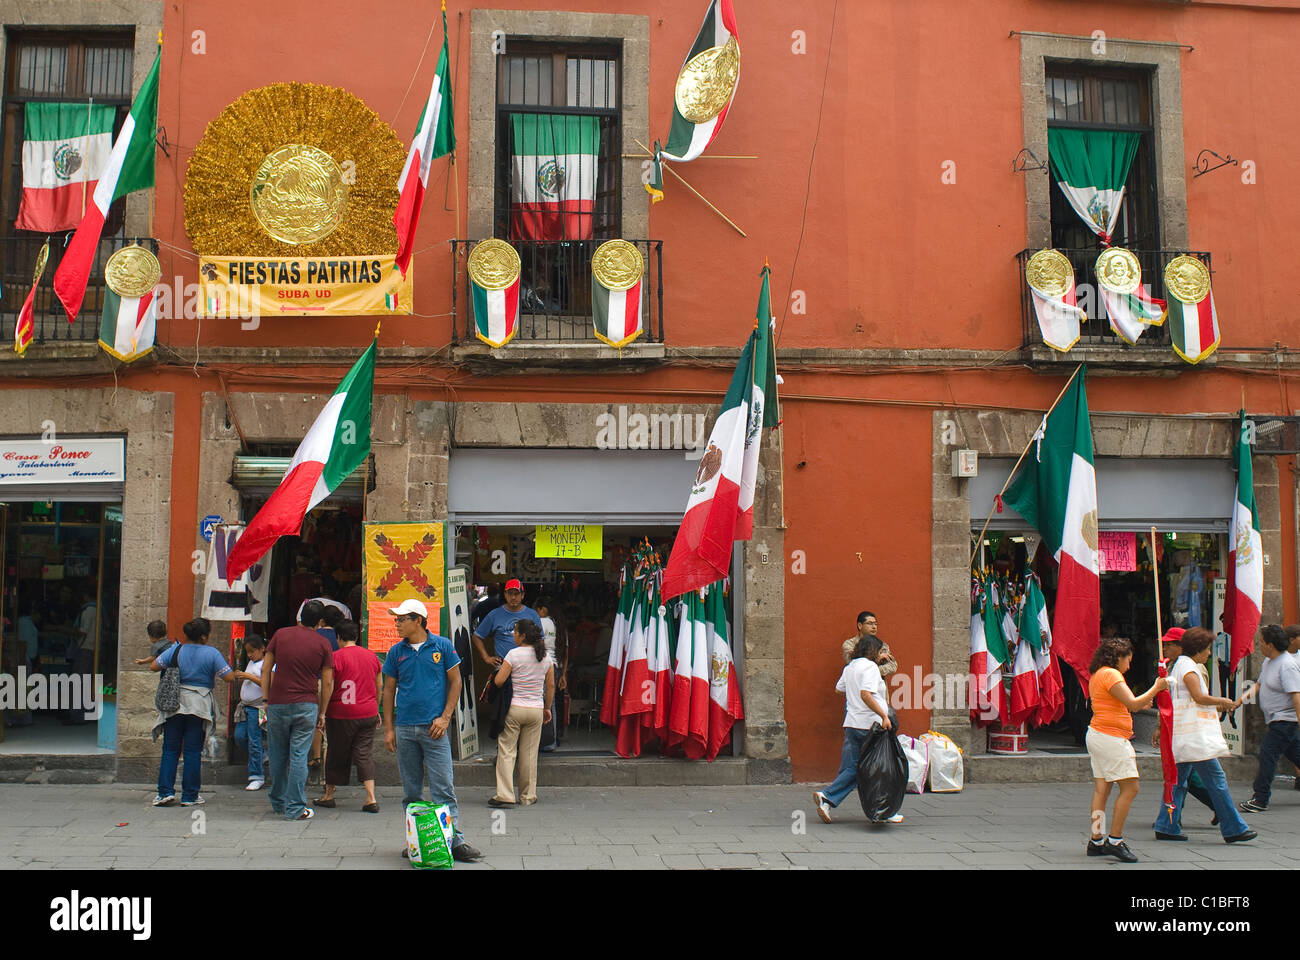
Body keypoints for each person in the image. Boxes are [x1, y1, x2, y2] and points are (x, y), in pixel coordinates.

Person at [383, 599, 482, 862]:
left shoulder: (443, 646)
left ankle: (454, 840)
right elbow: (388, 689)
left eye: (402, 619)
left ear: (418, 620)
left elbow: (456, 681)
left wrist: (445, 717)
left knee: (443, 787)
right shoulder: (396, 652)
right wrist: (389, 728)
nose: (397, 623)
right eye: (397, 619)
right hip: (405, 727)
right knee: (411, 791)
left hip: (434, 728)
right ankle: (416, 839)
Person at [1149, 627, 1255, 844]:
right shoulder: (1189, 667)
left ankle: (1166, 825)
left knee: (1177, 782)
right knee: (1216, 780)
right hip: (1195, 736)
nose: (1209, 654)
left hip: (1183, 734)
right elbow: (1198, 696)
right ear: (1198, 649)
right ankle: (1233, 827)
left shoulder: (1179, 666)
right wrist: (1221, 701)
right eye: (1207, 649)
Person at [1084, 637, 1166, 863]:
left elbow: (1125, 703)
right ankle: (1115, 840)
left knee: (1102, 789)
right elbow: (1133, 704)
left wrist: (1142, 701)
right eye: (1128, 660)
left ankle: (1096, 839)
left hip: (1098, 734)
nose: (1129, 666)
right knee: (1131, 788)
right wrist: (1156, 688)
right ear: (1118, 657)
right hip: (1111, 738)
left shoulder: (1098, 674)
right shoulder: (1111, 674)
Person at [148, 618, 244, 807]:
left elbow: (154, 666)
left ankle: (165, 792)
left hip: (174, 703)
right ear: (204, 636)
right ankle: (190, 795)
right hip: (199, 705)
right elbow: (228, 677)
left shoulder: (175, 649)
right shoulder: (212, 653)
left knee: (170, 749)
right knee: (193, 751)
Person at [812, 636, 901, 824]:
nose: (880, 655)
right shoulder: (870, 668)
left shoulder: (850, 667)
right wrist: (884, 716)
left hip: (852, 723)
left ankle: (828, 801)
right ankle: (881, 810)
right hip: (870, 726)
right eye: (879, 651)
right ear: (873, 651)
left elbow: (839, 688)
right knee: (878, 769)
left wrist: (855, 690)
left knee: (850, 768)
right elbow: (866, 694)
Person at [263, 599, 335, 822]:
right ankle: (295, 807)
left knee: (277, 753)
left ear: (300, 616)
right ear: (320, 622)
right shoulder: (323, 644)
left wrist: (265, 698)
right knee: (298, 756)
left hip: (277, 702)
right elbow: (328, 681)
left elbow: (266, 668)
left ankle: (278, 801)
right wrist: (322, 712)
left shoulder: (280, 635)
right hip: (306, 704)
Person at [1149, 628, 1218, 827]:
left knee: (1187, 778)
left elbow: (1197, 700)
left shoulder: (1193, 669)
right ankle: (1169, 820)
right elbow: (1167, 700)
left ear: (1182, 646)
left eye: (1170, 644)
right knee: (1180, 778)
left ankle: (1171, 820)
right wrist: (1160, 725)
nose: (1165, 648)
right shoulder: (1171, 667)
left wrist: (1222, 702)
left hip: (1190, 732)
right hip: (1176, 730)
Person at [487, 620, 555, 807]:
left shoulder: (513, 655)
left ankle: (505, 795)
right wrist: (547, 708)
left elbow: (499, 681)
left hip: (514, 709)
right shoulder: (546, 657)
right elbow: (550, 685)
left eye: (515, 632)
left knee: (507, 751)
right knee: (530, 754)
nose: (513, 635)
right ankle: (527, 796)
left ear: (523, 635)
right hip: (535, 710)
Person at [318, 622, 382, 813]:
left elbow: (328, 685)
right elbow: (379, 685)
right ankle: (370, 798)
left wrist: (322, 712)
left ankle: (329, 794)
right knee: (363, 754)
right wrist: (376, 707)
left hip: (341, 713)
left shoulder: (335, 657)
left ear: (338, 637)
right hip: (368, 712)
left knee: (336, 752)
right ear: (356, 637)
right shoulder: (371, 656)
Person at [1238, 624, 1300, 813]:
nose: (1259, 646)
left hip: (1285, 721)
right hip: (1275, 720)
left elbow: (1296, 695)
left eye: (1262, 642)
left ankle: (1260, 798)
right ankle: (1260, 797)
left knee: (1267, 754)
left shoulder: (1287, 665)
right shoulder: (1268, 662)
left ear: (1271, 645)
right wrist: (1238, 701)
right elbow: (1258, 685)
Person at [473, 579, 542, 668]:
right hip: (503, 666)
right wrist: (486, 657)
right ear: (505, 595)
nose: (513, 597)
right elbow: (476, 636)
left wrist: (538, 662)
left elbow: (540, 640)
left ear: (522, 595)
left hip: (527, 667)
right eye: (510, 593)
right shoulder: (495, 614)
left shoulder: (532, 614)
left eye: (516, 594)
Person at [232, 635, 267, 791]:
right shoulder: (252, 663)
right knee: (239, 736)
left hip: (258, 707)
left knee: (254, 740)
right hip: (245, 707)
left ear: (262, 649)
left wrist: (247, 676)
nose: (251, 655)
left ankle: (256, 776)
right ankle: (262, 755)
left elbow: (268, 683)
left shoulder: (267, 664)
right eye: (248, 652)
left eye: (253, 651)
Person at [535, 597, 566, 751]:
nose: (536, 613)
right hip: (556, 666)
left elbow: (536, 643)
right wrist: (564, 674)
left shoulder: (543, 622)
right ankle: (551, 739)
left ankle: (547, 741)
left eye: (537, 610)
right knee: (551, 703)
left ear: (543, 609)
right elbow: (566, 652)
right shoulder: (558, 625)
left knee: (545, 704)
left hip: (544, 666)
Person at [840, 611, 897, 678]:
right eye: (870, 623)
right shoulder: (850, 644)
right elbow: (853, 662)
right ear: (860, 626)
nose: (874, 627)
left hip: (877, 686)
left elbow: (892, 666)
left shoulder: (882, 645)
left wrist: (872, 671)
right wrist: (877, 659)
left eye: (875, 624)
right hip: (857, 684)